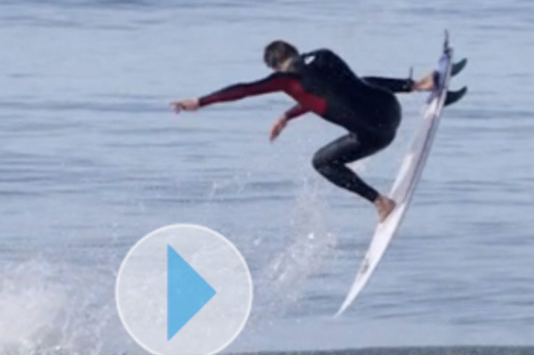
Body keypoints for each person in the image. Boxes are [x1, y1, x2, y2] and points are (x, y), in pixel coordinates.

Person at [171, 40, 466, 222]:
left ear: (275, 69)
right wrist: (288, 115)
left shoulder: (285, 81)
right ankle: (418, 85)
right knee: (356, 82)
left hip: (378, 134)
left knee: (322, 163)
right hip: (391, 108)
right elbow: (331, 95)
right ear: (296, 51)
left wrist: (200, 102)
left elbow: (244, 90)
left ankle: (380, 202)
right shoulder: (325, 55)